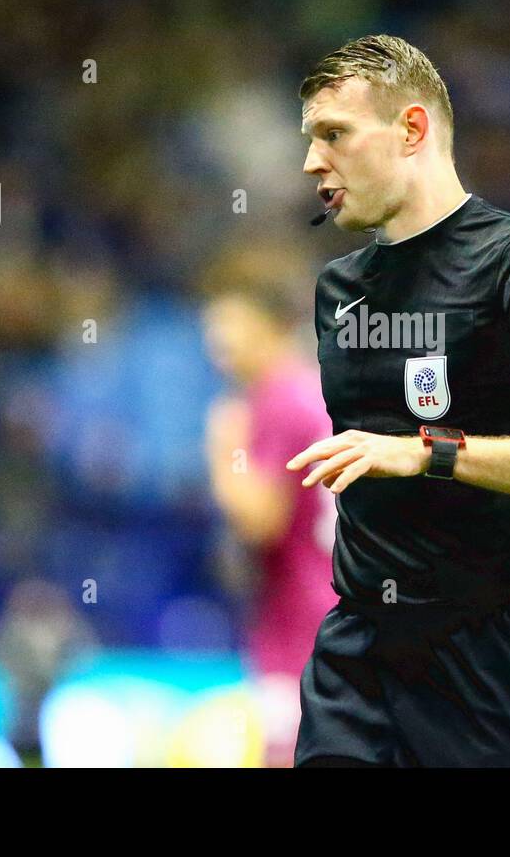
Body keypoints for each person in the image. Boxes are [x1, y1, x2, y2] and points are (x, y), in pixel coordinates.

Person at [287, 34, 510, 767]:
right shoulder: (339, 292)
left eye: (335, 134)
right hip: (358, 657)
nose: (313, 162)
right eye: (311, 140)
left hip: (494, 664)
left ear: (412, 129)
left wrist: (431, 453)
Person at [200, 249, 339, 767]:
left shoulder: (276, 399)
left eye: (229, 322)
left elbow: (261, 519)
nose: (217, 340)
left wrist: (223, 449)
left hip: (301, 632)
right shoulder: (316, 389)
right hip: (333, 618)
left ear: (269, 322)